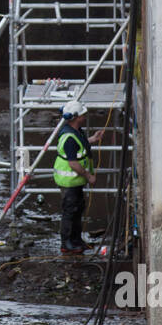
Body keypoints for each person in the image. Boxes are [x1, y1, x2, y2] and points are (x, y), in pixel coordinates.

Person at [52, 99, 104, 255]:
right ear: (75, 118)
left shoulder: (76, 132)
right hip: (69, 182)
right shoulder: (68, 138)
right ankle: (66, 243)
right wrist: (89, 176)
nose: (85, 116)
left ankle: (76, 240)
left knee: (77, 209)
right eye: (83, 114)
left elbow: (79, 146)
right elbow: (73, 163)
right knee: (70, 211)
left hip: (75, 181)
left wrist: (93, 139)